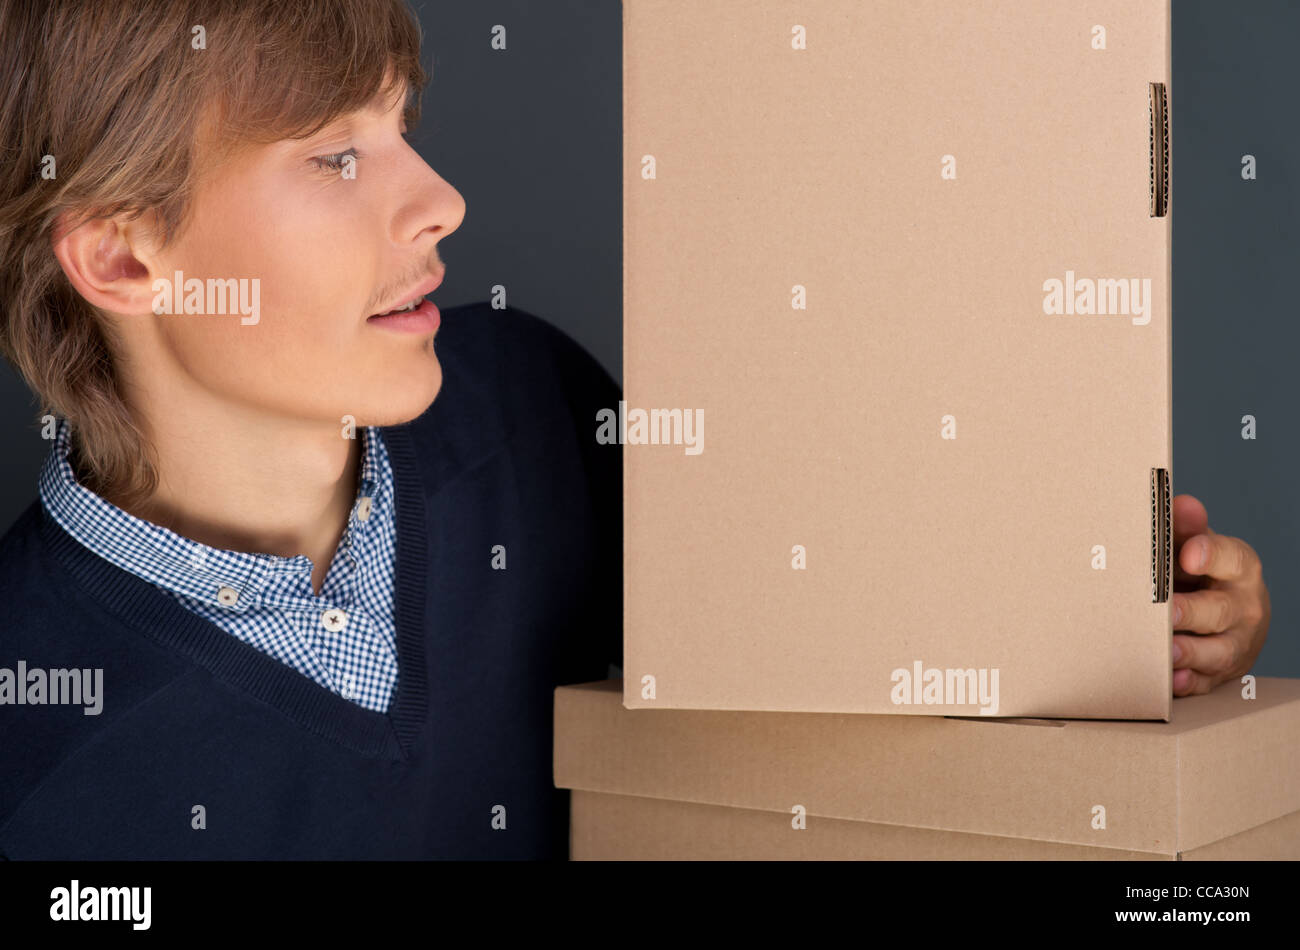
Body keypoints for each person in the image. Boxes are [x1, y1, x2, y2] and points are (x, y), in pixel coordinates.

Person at [0, 0, 620, 858]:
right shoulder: (31, 765)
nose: (443, 201)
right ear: (122, 256)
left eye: (402, 123)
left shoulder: (537, 411)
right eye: (335, 157)